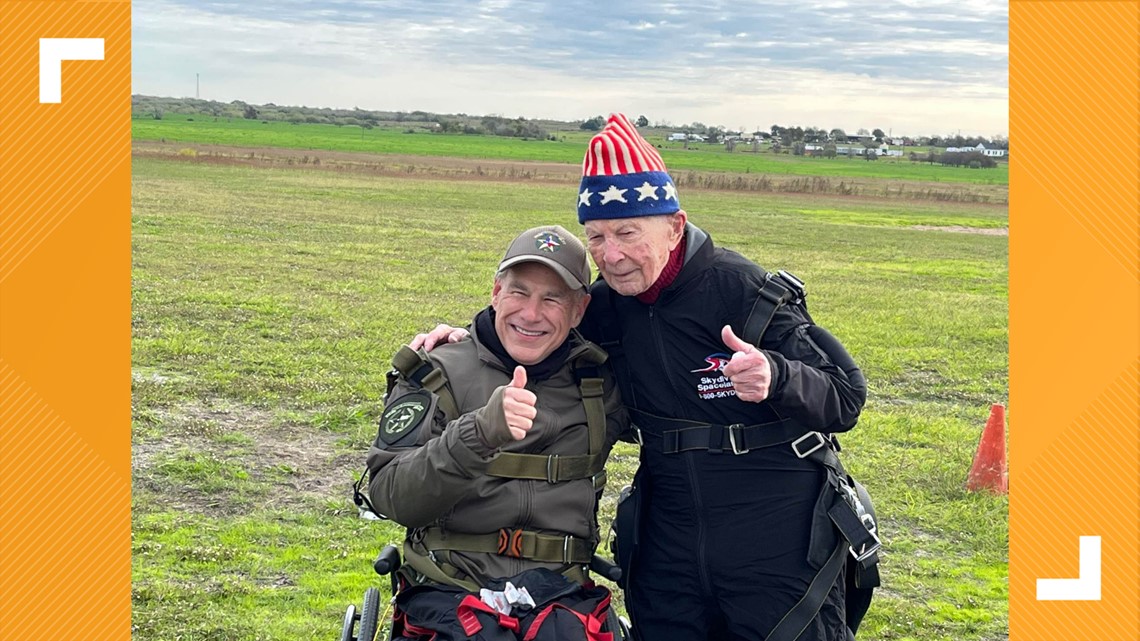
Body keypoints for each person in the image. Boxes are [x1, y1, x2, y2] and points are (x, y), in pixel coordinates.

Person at [414, 114, 873, 641]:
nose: (612, 255)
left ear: (674, 226)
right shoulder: (607, 306)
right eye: (598, 237)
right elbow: (532, 323)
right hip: (668, 529)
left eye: (628, 232)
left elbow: (846, 395)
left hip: (776, 526)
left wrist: (778, 375)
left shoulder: (745, 291)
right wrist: (466, 339)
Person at [366, 225, 629, 640]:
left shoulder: (602, 384)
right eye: (519, 292)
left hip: (561, 600)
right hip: (448, 591)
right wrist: (478, 434)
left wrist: (769, 376)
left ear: (579, 311)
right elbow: (390, 495)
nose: (530, 314)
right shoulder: (437, 372)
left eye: (552, 299)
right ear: (495, 292)